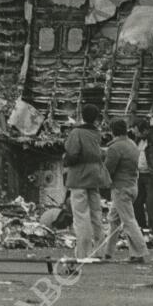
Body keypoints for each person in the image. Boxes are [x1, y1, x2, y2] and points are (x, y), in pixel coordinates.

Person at [63, 104, 110, 260]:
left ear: (82, 116)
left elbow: (72, 154)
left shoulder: (76, 132)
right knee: (96, 214)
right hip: (95, 177)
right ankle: (100, 252)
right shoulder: (96, 133)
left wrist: (66, 161)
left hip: (79, 178)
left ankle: (83, 254)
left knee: (81, 216)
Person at [104, 118, 147, 263]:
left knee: (128, 220)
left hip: (120, 188)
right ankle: (108, 252)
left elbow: (108, 169)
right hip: (132, 186)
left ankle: (139, 252)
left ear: (112, 131)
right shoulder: (132, 144)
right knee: (113, 219)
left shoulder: (115, 148)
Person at [133, 116, 153, 234]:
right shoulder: (138, 140)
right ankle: (141, 225)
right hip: (139, 174)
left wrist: (152, 129)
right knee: (137, 201)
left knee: (151, 201)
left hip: (152, 174)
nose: (134, 132)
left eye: (136, 129)